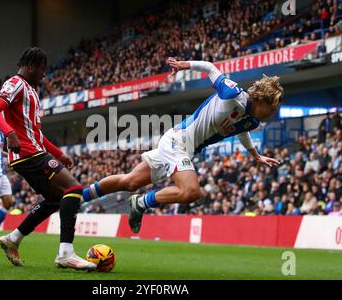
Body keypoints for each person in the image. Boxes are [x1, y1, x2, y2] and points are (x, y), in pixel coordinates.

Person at [83, 57, 283, 234]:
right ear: (260, 101)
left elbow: (241, 130)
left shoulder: (252, 121)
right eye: (272, 108)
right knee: (191, 192)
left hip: (185, 147)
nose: (272, 113)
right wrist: (183, 65)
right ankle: (141, 202)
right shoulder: (232, 94)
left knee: (130, 182)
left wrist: (256, 155)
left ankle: (79, 197)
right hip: (177, 141)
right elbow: (211, 68)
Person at [0, 47, 95, 271]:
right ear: (31, 66)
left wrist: (59, 153)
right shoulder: (15, 83)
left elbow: (36, 134)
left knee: (55, 199)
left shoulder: (32, 91)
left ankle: (13, 239)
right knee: (74, 188)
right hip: (28, 153)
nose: (44, 75)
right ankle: (66, 253)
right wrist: (9, 132)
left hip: (34, 150)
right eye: (42, 69)